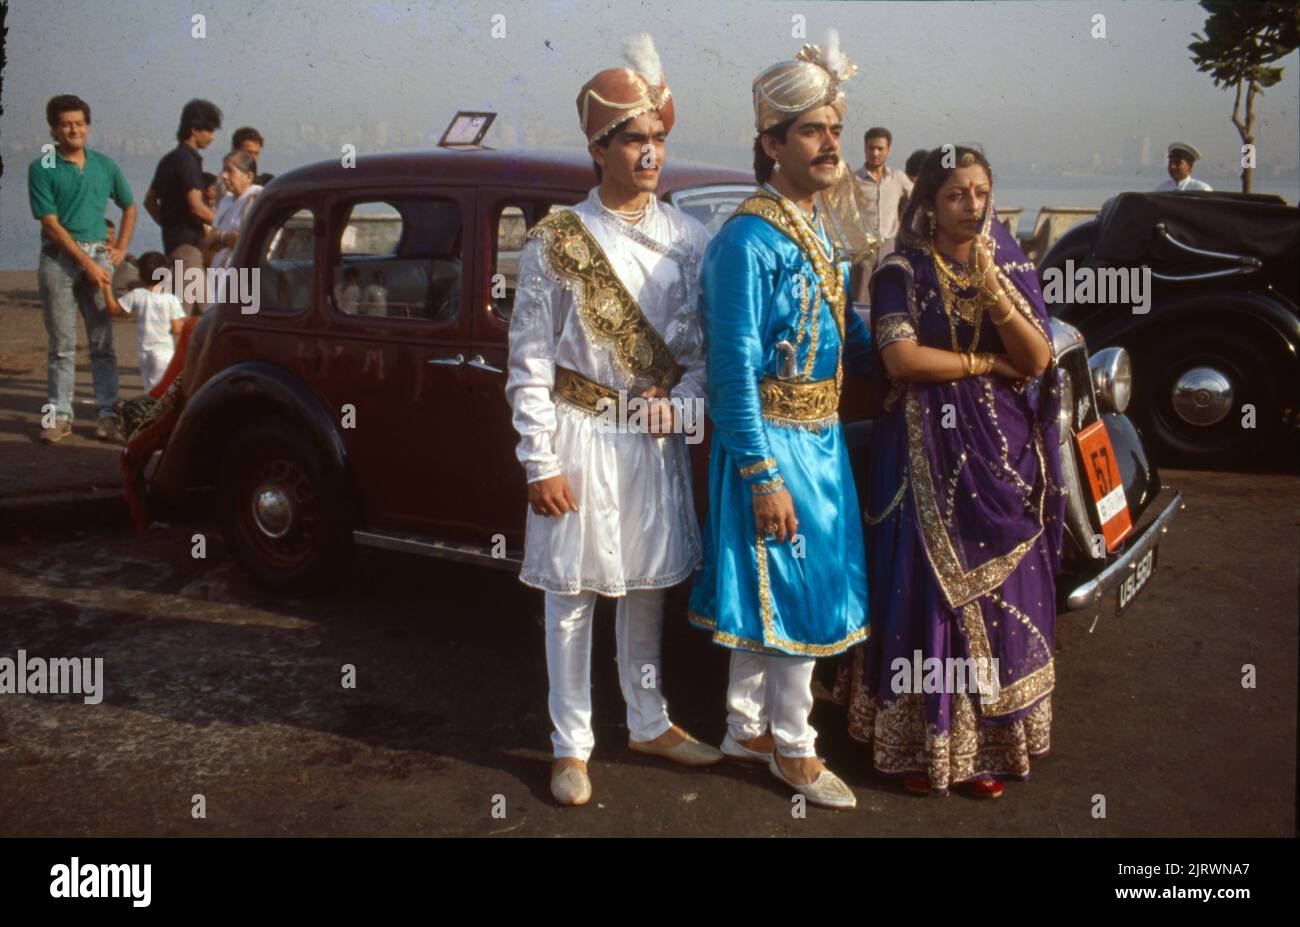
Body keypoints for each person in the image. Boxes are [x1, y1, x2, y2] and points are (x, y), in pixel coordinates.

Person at [506, 33, 721, 807]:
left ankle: (650, 717)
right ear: (599, 147)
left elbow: (699, 356)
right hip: (579, 433)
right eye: (634, 139)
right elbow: (529, 359)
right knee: (571, 595)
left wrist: (683, 403)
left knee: (645, 587)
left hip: (650, 441)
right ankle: (572, 743)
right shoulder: (558, 241)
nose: (651, 152)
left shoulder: (690, 240)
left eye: (658, 138)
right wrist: (540, 460)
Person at [834, 145, 1065, 799]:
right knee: (924, 591)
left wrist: (992, 285)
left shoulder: (1011, 263)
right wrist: (986, 366)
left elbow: (1038, 356)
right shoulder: (899, 271)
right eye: (957, 194)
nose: (972, 205)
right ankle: (919, 739)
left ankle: (990, 742)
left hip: (1000, 459)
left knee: (999, 599)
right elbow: (901, 357)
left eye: (982, 192)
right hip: (922, 460)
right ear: (929, 204)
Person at [687, 33, 873, 811]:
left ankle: (747, 727)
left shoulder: (822, 229)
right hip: (772, 439)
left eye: (835, 128)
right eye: (811, 130)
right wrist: (762, 473)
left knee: (784, 588)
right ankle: (795, 748)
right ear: (771, 144)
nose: (831, 144)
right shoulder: (748, 239)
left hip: (822, 436)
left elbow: (845, 332)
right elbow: (730, 370)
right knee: (798, 591)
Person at [28, 94, 137, 444]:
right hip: (58, 262)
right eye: (65, 124)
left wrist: (120, 247)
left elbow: (130, 205)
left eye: (79, 123)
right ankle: (59, 416)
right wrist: (87, 263)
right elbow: (51, 224)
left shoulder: (105, 165)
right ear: (54, 129)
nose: (73, 129)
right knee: (61, 345)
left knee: (102, 343)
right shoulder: (41, 166)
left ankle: (108, 414)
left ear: (87, 126)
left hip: (98, 259)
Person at [144, 99, 222, 313]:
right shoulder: (188, 161)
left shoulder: (169, 159)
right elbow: (196, 206)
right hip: (188, 248)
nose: (213, 136)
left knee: (208, 311)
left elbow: (149, 201)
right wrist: (224, 224)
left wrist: (168, 224)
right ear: (195, 130)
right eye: (210, 130)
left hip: (176, 243)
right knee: (181, 312)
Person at [100, 251, 186, 392]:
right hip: (164, 350)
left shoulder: (137, 295)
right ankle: (158, 411)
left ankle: (150, 408)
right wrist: (189, 324)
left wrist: (106, 288)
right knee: (163, 386)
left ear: (140, 275)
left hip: (143, 348)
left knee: (149, 384)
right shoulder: (171, 300)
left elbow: (114, 310)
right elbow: (177, 329)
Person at [851, 127, 913, 305]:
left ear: (888, 150)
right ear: (865, 149)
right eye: (871, 148)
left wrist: (905, 223)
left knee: (890, 292)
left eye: (880, 148)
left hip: (890, 243)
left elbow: (917, 197)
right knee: (861, 296)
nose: (875, 153)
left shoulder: (897, 177)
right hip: (863, 246)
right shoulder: (854, 179)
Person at [204, 150, 262, 269]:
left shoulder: (254, 198)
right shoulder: (226, 200)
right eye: (224, 170)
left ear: (248, 176)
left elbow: (247, 240)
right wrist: (226, 238)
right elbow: (210, 242)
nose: (224, 176)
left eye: (230, 171)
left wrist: (220, 237)